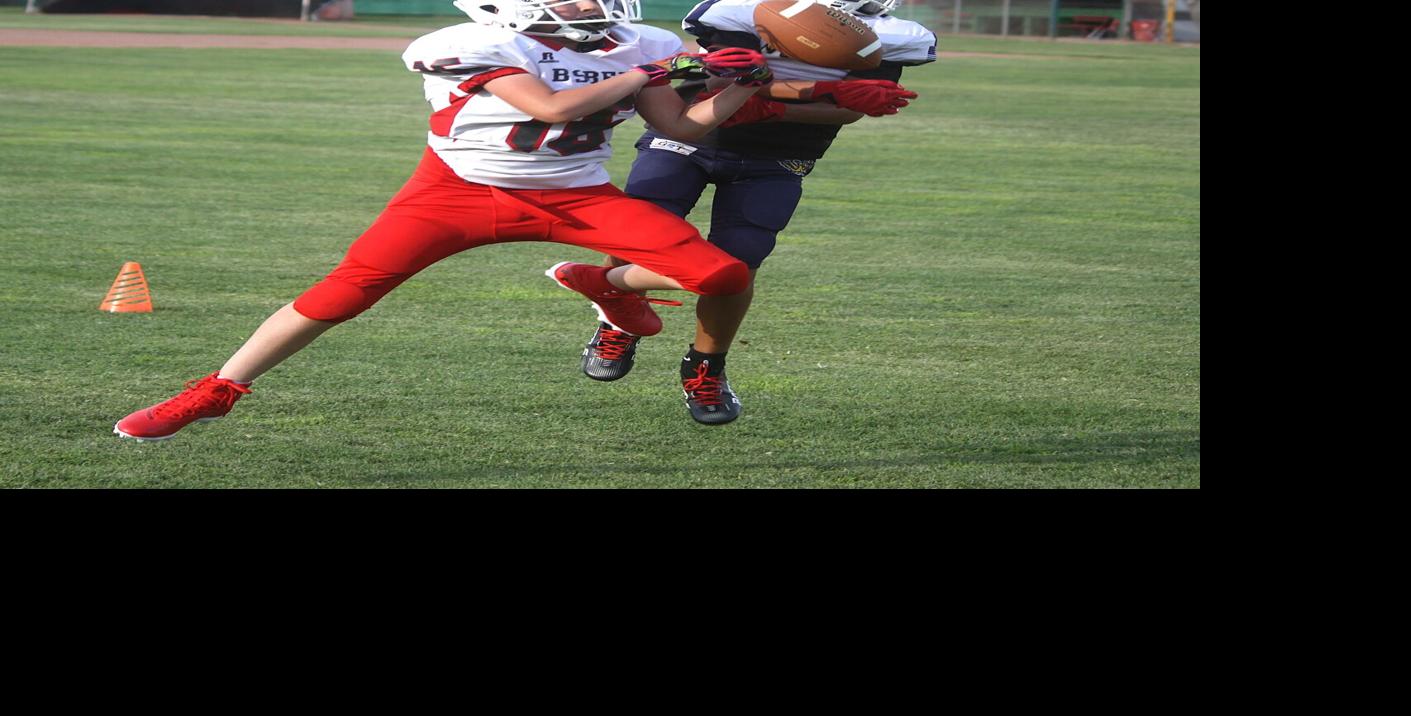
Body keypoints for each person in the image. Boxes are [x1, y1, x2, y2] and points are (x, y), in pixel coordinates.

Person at [113, 0, 776, 441]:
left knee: (723, 274)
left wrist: (743, 83)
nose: (590, 0)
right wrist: (658, 69)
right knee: (340, 294)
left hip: (579, 195)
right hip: (456, 192)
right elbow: (551, 108)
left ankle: (607, 288)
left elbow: (676, 122)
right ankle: (214, 390)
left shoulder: (637, 44)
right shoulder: (472, 42)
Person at [574, 0, 936, 425]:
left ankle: (705, 367)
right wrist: (798, 92)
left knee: (738, 264)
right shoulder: (741, 11)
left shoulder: (891, 36)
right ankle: (618, 319)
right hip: (691, 135)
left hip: (780, 156)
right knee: (636, 232)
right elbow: (704, 76)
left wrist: (773, 104)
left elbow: (855, 106)